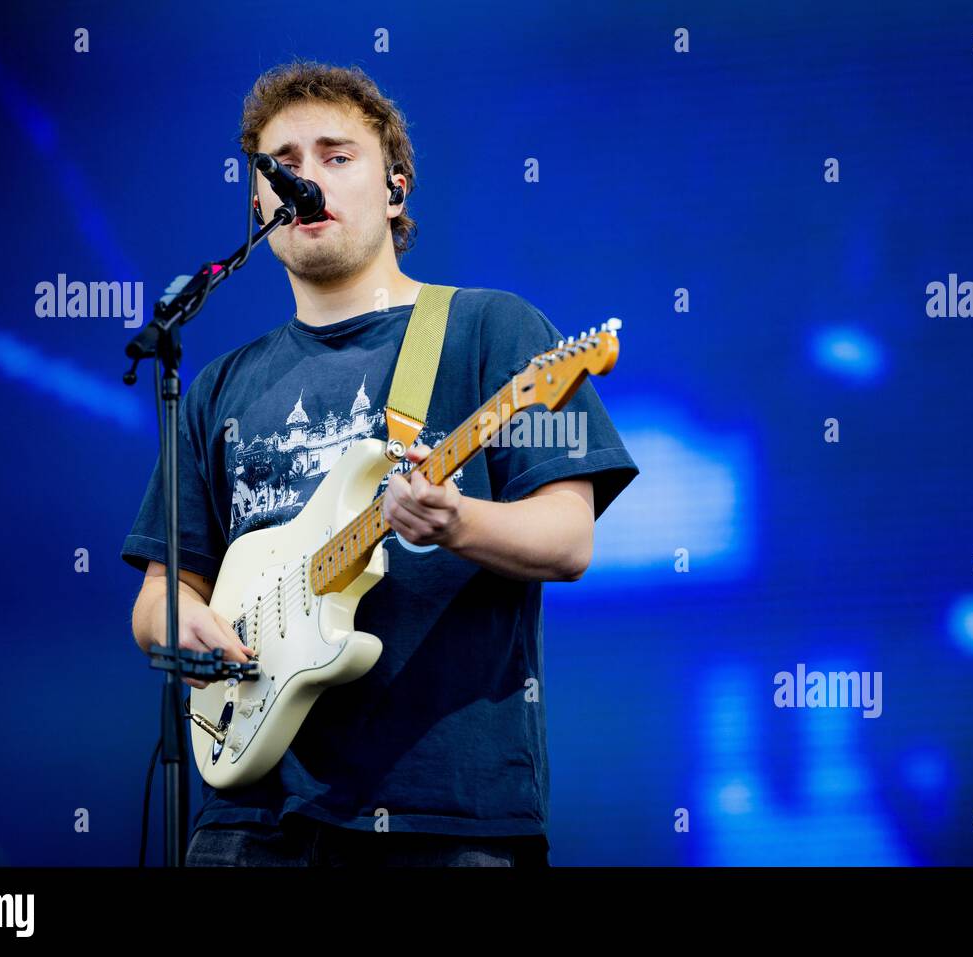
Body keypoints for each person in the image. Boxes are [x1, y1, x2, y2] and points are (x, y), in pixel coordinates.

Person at [122, 59, 639, 867]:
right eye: (281, 166)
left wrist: (457, 518)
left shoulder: (491, 331)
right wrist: (172, 626)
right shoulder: (217, 387)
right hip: (244, 821)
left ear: (395, 190)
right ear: (258, 203)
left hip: (443, 814)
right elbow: (162, 589)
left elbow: (569, 539)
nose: (304, 179)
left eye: (336, 156)